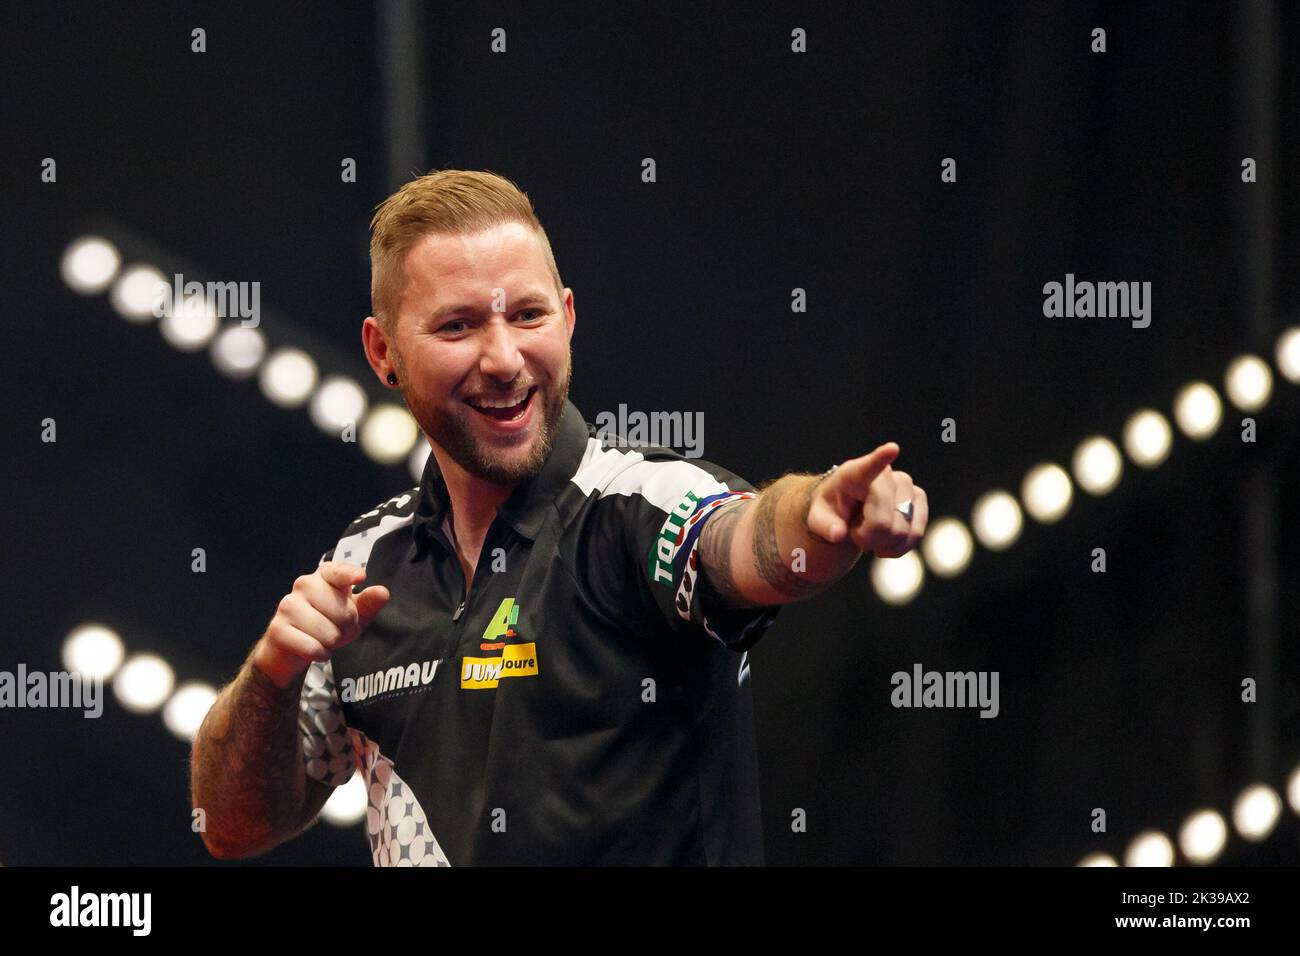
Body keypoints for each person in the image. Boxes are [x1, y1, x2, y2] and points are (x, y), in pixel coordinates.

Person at [189, 169, 928, 865]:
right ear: (383, 352)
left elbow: (748, 541)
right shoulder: (362, 564)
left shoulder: (637, 505)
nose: (505, 358)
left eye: (529, 315)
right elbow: (230, 826)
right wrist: (273, 671)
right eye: (457, 327)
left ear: (568, 318)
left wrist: (823, 510)